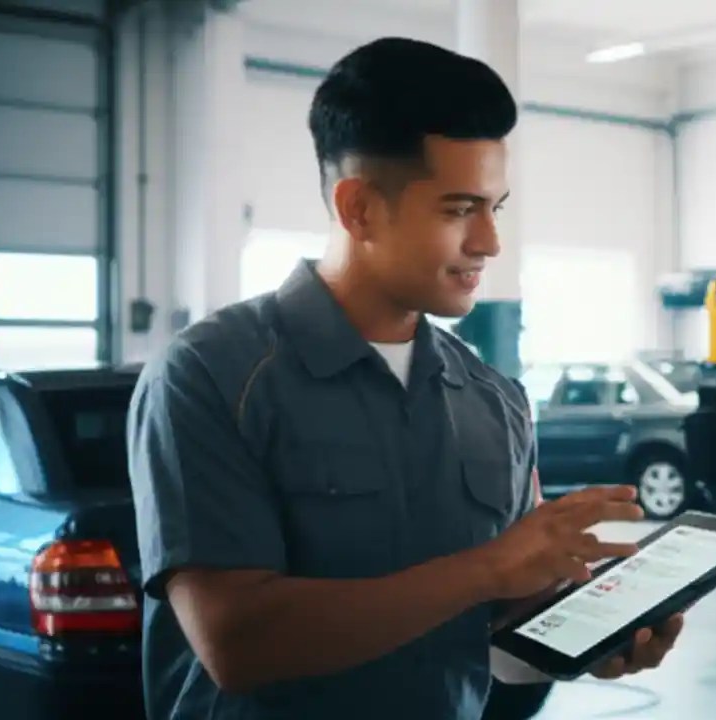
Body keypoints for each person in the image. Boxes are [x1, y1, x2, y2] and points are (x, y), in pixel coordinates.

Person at [126, 38, 683, 720]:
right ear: (359, 208)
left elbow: (498, 629)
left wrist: (592, 637)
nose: (489, 242)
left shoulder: (494, 400)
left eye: (495, 208)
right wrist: (488, 568)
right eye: (458, 209)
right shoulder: (211, 376)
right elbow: (237, 643)